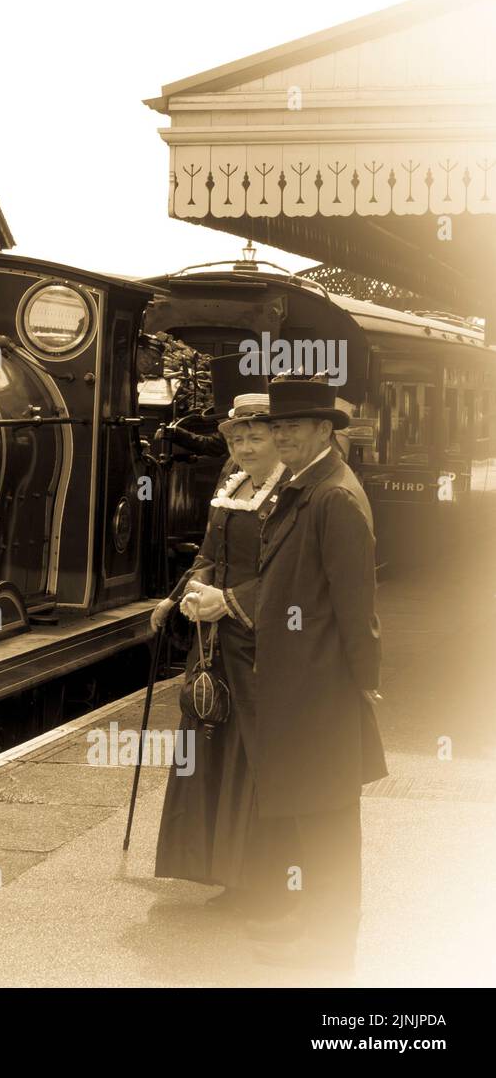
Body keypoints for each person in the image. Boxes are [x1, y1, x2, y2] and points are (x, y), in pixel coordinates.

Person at [236, 376, 387, 971]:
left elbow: (356, 602)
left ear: (325, 429)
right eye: (277, 427)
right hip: (300, 680)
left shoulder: (332, 497)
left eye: (292, 427)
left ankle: (331, 948)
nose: (281, 437)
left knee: (326, 822)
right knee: (309, 811)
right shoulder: (309, 487)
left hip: (320, 685)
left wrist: (362, 681)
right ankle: (320, 930)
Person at [152, 392, 291, 915]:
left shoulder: (290, 493)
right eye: (238, 438)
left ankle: (260, 877)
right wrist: (177, 597)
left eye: (257, 436)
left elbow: (290, 574)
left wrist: (229, 602)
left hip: (260, 642)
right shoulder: (231, 484)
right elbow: (209, 552)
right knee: (210, 742)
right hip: (213, 644)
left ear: (278, 437)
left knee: (250, 753)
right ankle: (222, 869)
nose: (247, 447)